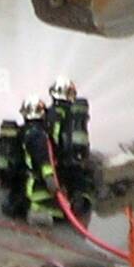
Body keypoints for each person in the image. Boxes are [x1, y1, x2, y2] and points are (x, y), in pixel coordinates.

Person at [46, 76, 93, 216]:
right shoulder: (74, 113)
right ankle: (79, 202)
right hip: (74, 159)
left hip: (58, 159)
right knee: (78, 181)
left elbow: (51, 137)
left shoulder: (53, 112)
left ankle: (62, 206)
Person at [18, 94, 62, 223]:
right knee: (62, 215)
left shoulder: (25, 131)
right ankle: (36, 211)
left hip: (24, 184)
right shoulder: (38, 135)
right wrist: (49, 177)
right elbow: (43, 158)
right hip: (37, 187)